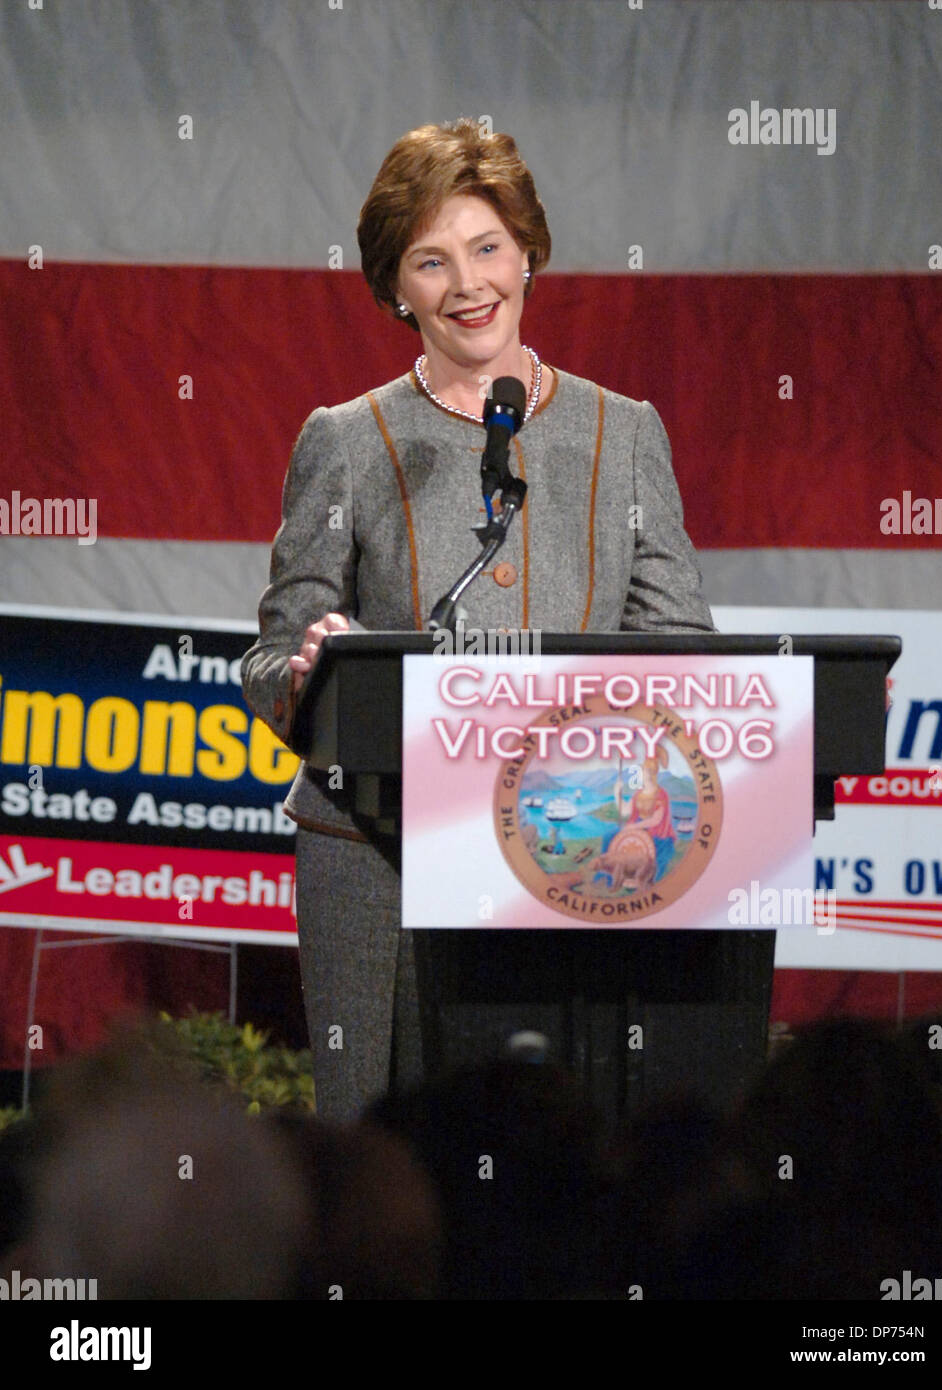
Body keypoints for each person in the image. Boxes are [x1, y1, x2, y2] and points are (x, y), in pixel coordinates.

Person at [241, 118, 714, 1124]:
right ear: (394, 287)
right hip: (376, 856)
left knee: (552, 1163)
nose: (468, 282)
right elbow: (277, 650)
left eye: (488, 246)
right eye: (431, 259)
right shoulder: (347, 440)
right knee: (381, 1165)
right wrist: (305, 669)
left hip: (576, 849)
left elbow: (682, 651)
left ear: (529, 251)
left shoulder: (622, 434)